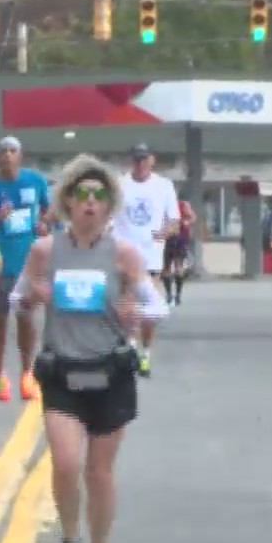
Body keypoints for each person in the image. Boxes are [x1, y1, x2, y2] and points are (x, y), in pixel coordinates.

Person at [14, 156, 166, 543]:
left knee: (99, 471)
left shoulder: (123, 253)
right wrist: (32, 297)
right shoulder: (45, 251)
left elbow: (158, 307)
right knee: (65, 462)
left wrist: (135, 309)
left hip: (110, 370)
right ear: (68, 201)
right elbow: (16, 300)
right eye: (82, 194)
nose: (90, 203)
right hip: (62, 369)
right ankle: (69, 541)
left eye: (99, 196)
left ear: (109, 206)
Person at [0, 136, 51, 403]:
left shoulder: (35, 181)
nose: (7, 155)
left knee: (26, 319)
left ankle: (27, 374)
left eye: (12, 150)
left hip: (28, 263)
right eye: (2, 151)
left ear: (20, 155)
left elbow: (51, 210)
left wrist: (44, 224)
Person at [112, 143, 179, 377]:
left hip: (151, 256)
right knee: (128, 303)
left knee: (149, 308)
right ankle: (130, 348)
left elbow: (174, 220)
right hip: (125, 255)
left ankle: (145, 353)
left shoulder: (164, 186)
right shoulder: (120, 184)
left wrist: (165, 232)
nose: (140, 163)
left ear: (152, 160)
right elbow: (108, 216)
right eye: (136, 159)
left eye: (144, 159)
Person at [163, 199, 198, 305]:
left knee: (175, 267)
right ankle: (171, 294)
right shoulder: (164, 204)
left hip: (178, 239)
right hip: (168, 239)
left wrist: (186, 222)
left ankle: (175, 295)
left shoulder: (182, 204)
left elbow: (192, 217)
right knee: (169, 267)